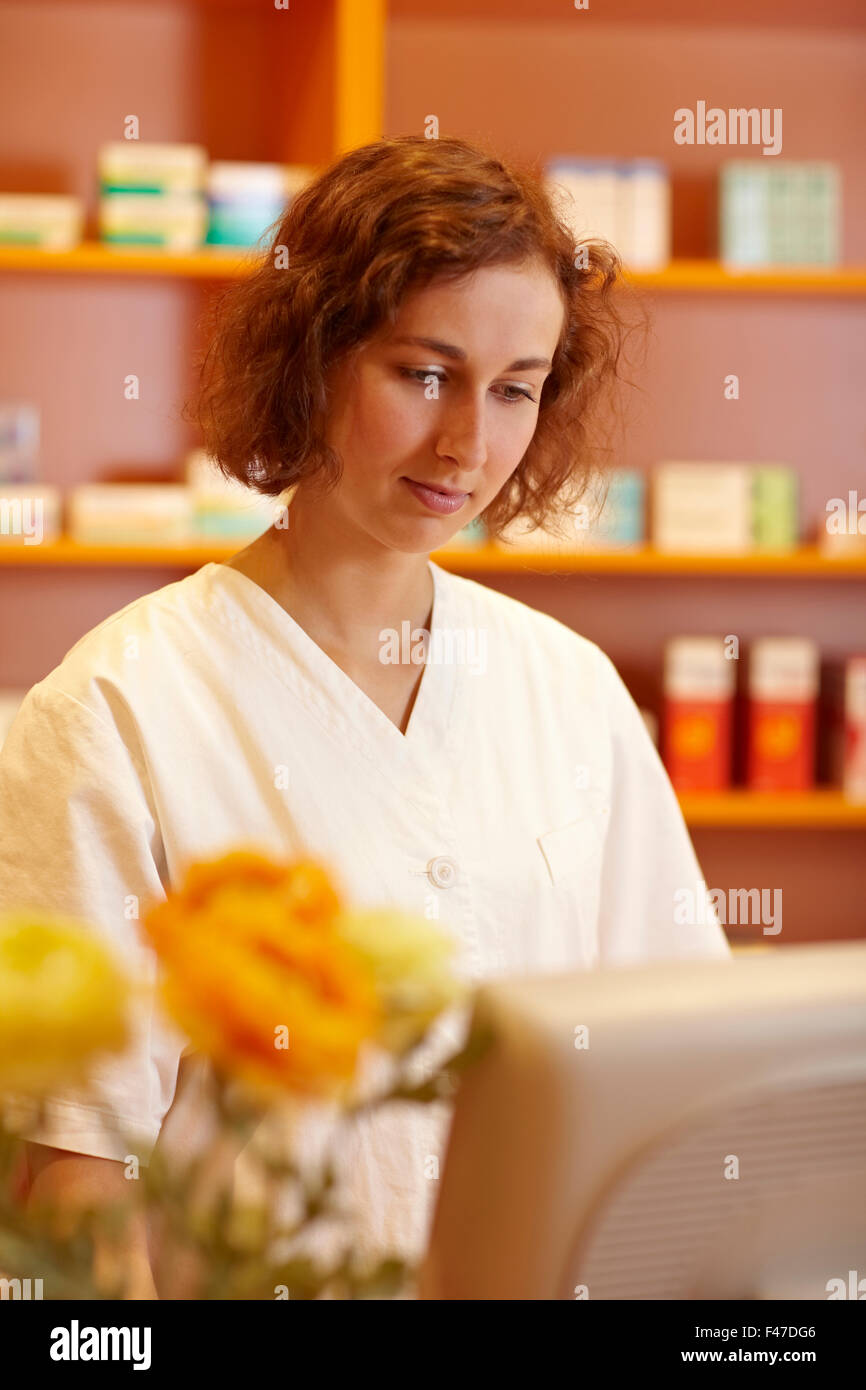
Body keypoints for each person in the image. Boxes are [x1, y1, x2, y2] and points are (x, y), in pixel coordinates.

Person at [0, 135, 729, 1298]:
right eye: (423, 373)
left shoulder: (569, 688)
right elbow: (78, 1186)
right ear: (314, 353)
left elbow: (687, 1079)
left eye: (513, 389)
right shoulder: (121, 705)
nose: (467, 445)